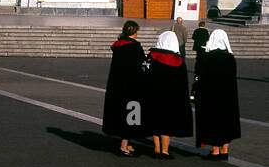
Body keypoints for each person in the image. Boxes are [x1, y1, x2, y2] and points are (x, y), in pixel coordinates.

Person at [144, 30, 192, 158]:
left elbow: (145, 74)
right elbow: (182, 83)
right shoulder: (178, 61)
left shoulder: (151, 56)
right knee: (167, 123)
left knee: (155, 121)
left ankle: (157, 148)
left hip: (154, 94)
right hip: (171, 97)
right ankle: (165, 150)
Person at [101, 20, 147, 155]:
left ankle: (127, 142)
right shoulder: (135, 46)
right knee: (131, 115)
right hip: (132, 85)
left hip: (117, 85)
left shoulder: (118, 45)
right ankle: (124, 146)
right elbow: (142, 65)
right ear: (135, 32)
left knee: (121, 113)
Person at [194, 29, 240, 159]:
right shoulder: (230, 57)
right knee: (226, 120)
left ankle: (215, 150)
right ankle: (225, 149)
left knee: (213, 120)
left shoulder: (207, 57)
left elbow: (201, 76)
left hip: (211, 95)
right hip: (228, 96)